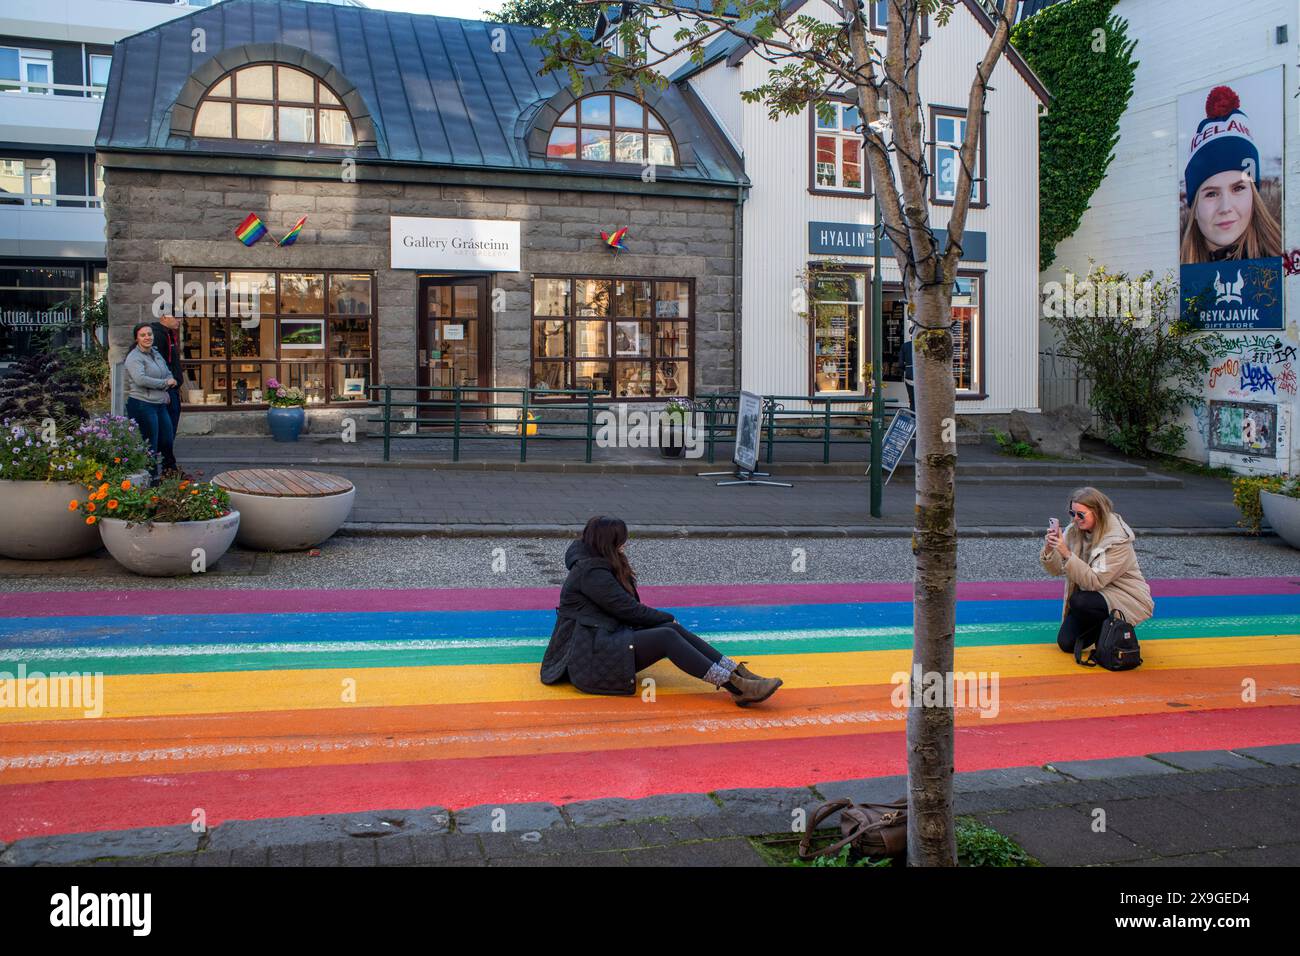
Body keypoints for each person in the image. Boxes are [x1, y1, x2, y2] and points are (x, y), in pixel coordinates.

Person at [541, 516, 783, 705]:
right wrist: (668, 617)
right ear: (610, 544)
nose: (626, 544)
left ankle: (735, 671)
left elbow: (627, 608)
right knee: (667, 634)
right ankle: (736, 688)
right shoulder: (591, 573)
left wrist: (667, 620)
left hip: (602, 636)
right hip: (588, 652)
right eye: (622, 540)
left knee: (669, 628)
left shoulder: (599, 563)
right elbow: (629, 610)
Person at [1039, 486, 1154, 656]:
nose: (1075, 519)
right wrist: (1050, 548)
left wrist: (1066, 553)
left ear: (1098, 512)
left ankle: (1117, 626)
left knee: (1079, 601)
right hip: (1093, 595)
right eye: (1072, 514)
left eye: (1081, 515)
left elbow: (1095, 581)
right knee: (1066, 643)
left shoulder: (1117, 541)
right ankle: (1107, 629)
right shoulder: (1074, 530)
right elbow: (1056, 571)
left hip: (1124, 596)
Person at [1180, 85, 1283, 263]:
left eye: (1238, 188)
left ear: (1254, 196)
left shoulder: (1282, 262)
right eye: (1211, 193)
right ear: (1195, 208)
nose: (1225, 207)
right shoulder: (1177, 272)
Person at [123, 323, 176, 482]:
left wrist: (168, 381)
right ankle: (151, 478)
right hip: (142, 404)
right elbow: (140, 380)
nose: (147, 337)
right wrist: (164, 384)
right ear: (136, 338)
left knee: (167, 439)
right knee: (149, 444)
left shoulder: (155, 353)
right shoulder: (134, 357)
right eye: (143, 335)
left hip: (159, 403)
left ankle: (165, 472)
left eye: (149, 334)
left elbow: (167, 372)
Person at [148, 313, 183, 473]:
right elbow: (159, 365)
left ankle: (168, 466)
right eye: (175, 317)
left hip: (171, 389)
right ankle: (167, 467)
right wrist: (167, 384)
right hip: (166, 391)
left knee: (168, 429)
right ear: (164, 318)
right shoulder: (159, 336)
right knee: (166, 430)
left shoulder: (169, 335)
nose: (179, 321)